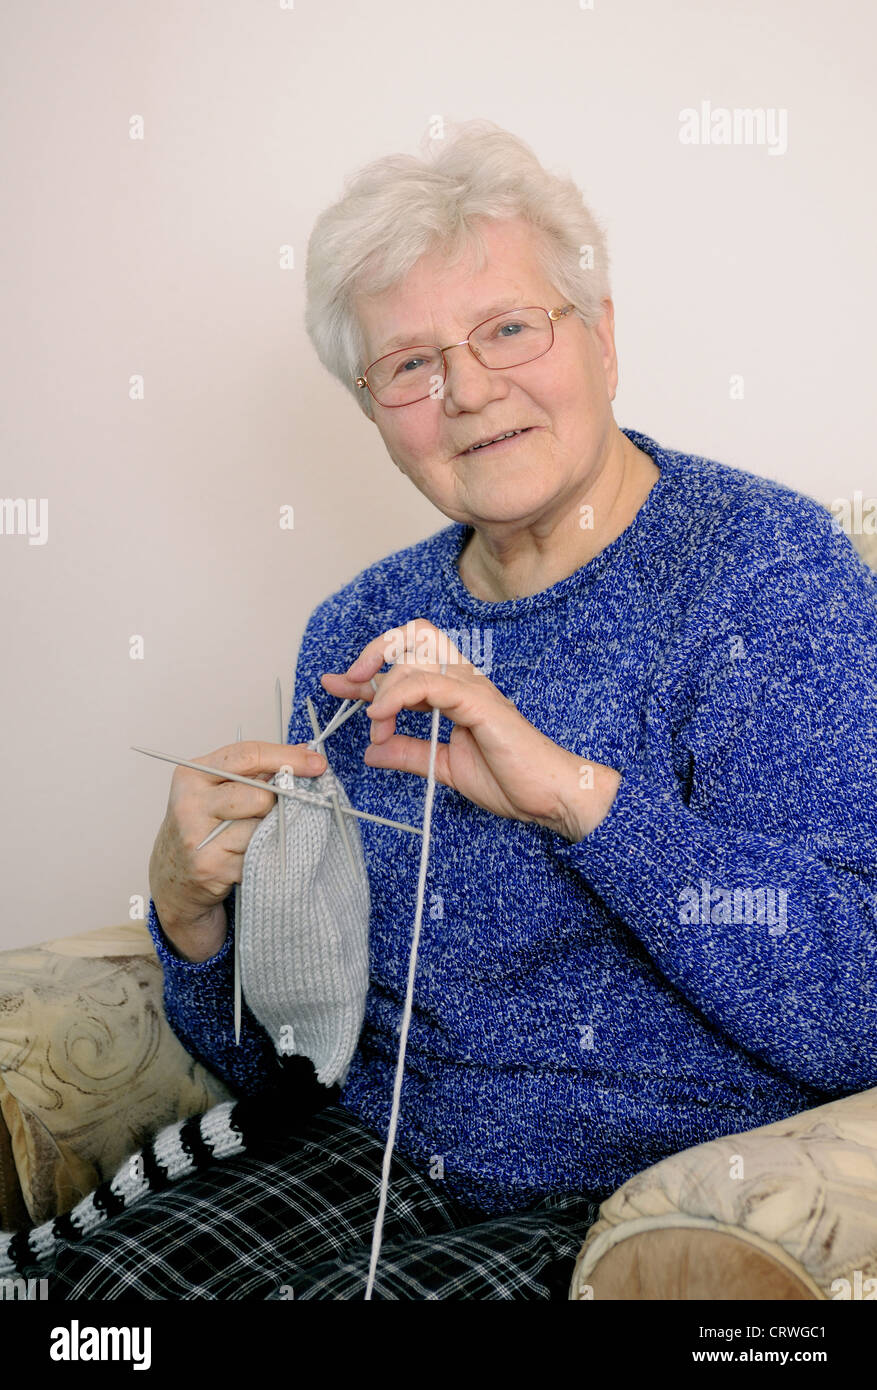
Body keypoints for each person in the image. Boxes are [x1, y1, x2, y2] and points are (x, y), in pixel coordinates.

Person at [41, 120, 877, 1299]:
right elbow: (282, 1058)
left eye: (508, 329)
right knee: (80, 1307)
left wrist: (575, 796)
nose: (469, 390)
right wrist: (193, 923)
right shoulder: (358, 628)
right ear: (376, 410)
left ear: (604, 339)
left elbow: (858, 1008)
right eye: (409, 365)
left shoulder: (766, 576)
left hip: (630, 1199)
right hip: (360, 1158)